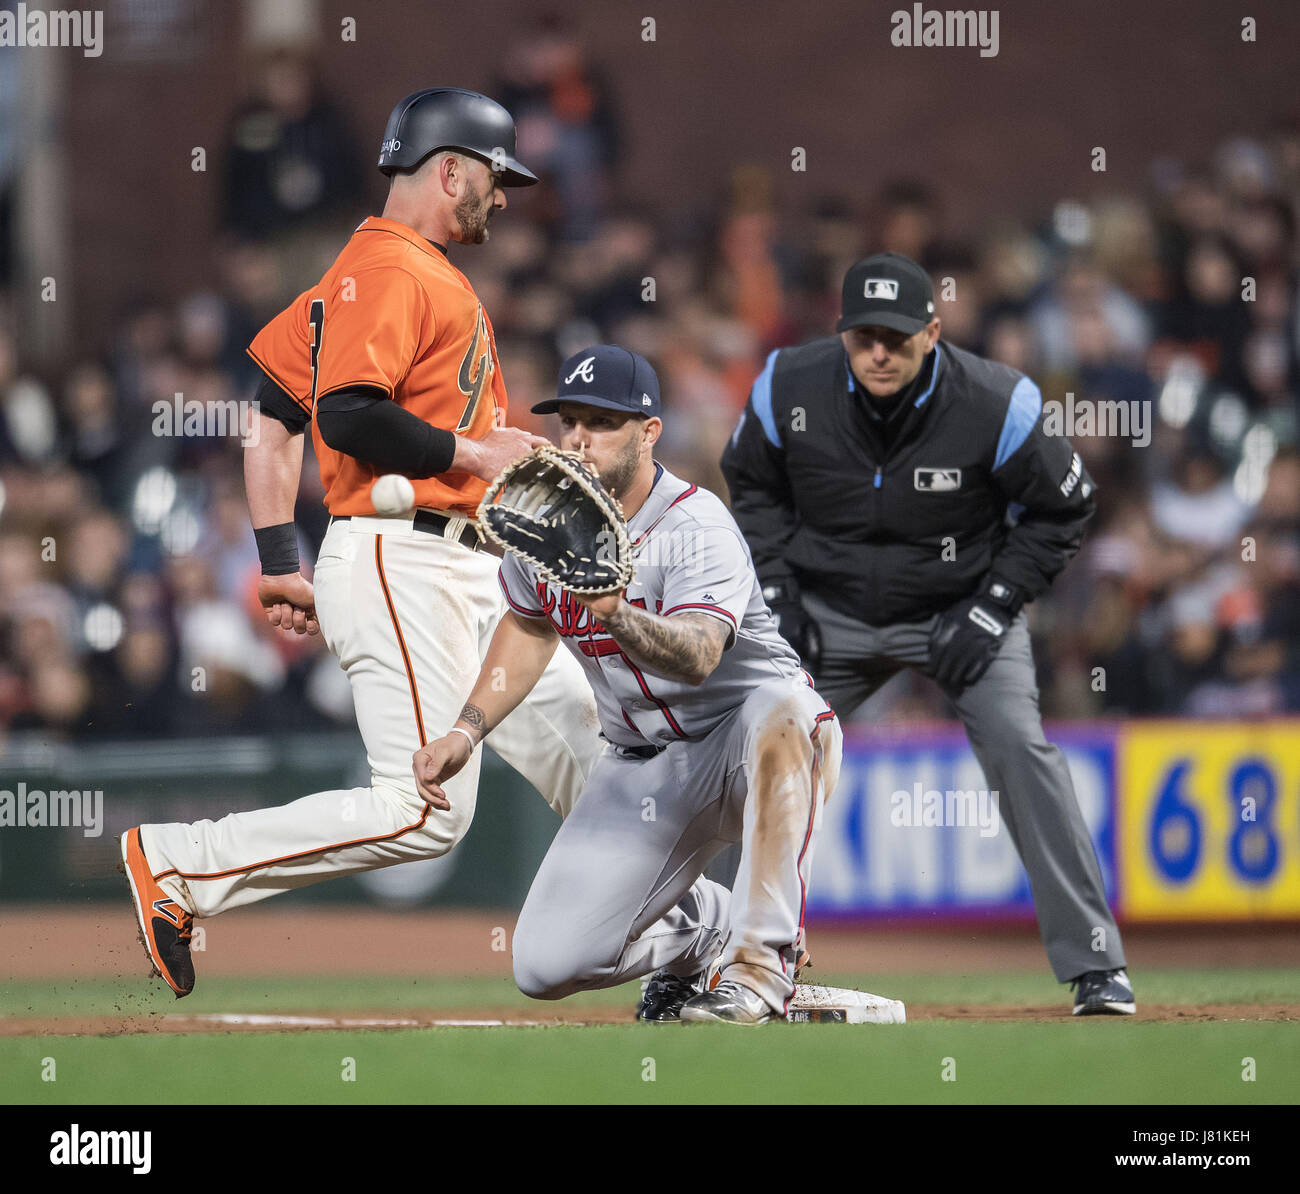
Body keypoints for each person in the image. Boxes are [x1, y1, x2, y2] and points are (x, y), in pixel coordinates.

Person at [121, 89, 605, 998]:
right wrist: (473, 449)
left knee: (598, 754)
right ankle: (182, 865)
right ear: (449, 168)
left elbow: (269, 422)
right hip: (404, 554)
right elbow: (344, 416)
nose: (503, 196)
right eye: (495, 177)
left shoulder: (357, 279)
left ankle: (709, 952)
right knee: (424, 812)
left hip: (458, 564)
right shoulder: (391, 270)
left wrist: (278, 566)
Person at [720, 252, 1135, 1016]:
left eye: (898, 337)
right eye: (864, 336)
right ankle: (710, 958)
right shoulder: (787, 384)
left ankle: (1097, 968)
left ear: (934, 332)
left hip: (962, 608)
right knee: (741, 753)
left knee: (1020, 748)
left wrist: (995, 603)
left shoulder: (996, 401)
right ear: (843, 334)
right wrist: (777, 589)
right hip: (826, 614)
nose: (880, 352)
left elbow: (1064, 509)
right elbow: (750, 485)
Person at [413, 346, 843, 1024]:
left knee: (787, 709)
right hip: (645, 764)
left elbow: (701, 655)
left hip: (748, 744)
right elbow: (527, 629)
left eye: (604, 422)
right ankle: (707, 933)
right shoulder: (544, 523)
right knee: (543, 964)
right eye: (570, 420)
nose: (580, 438)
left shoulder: (694, 525)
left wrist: (615, 612)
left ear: (649, 433)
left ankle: (761, 971)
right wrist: (468, 728)